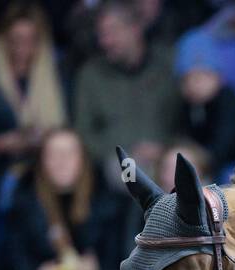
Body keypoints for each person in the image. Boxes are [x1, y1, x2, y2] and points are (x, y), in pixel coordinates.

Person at [0, 2, 68, 215]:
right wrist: (1, 143)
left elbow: (70, 130)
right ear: (4, 39)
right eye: (16, 40)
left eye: (30, 40)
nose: (22, 48)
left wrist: (45, 138)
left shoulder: (58, 77)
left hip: (46, 167)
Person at [4, 128, 127, 270]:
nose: (62, 161)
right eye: (53, 154)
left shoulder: (109, 202)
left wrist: (100, 268)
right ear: (41, 161)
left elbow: (126, 259)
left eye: (70, 153)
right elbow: (12, 260)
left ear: (83, 159)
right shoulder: (23, 203)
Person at [73, 0, 182, 173]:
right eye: (101, 34)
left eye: (112, 32)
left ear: (135, 29)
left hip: (168, 158)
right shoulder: (91, 74)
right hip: (116, 165)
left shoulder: (168, 64)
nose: (105, 41)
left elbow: (186, 121)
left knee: (184, 172)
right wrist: (126, 152)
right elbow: (84, 135)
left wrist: (164, 149)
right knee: (128, 174)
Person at [174, 28, 235, 173]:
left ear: (219, 77)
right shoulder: (189, 106)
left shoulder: (230, 102)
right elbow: (183, 138)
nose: (194, 84)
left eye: (202, 76)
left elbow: (220, 150)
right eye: (186, 79)